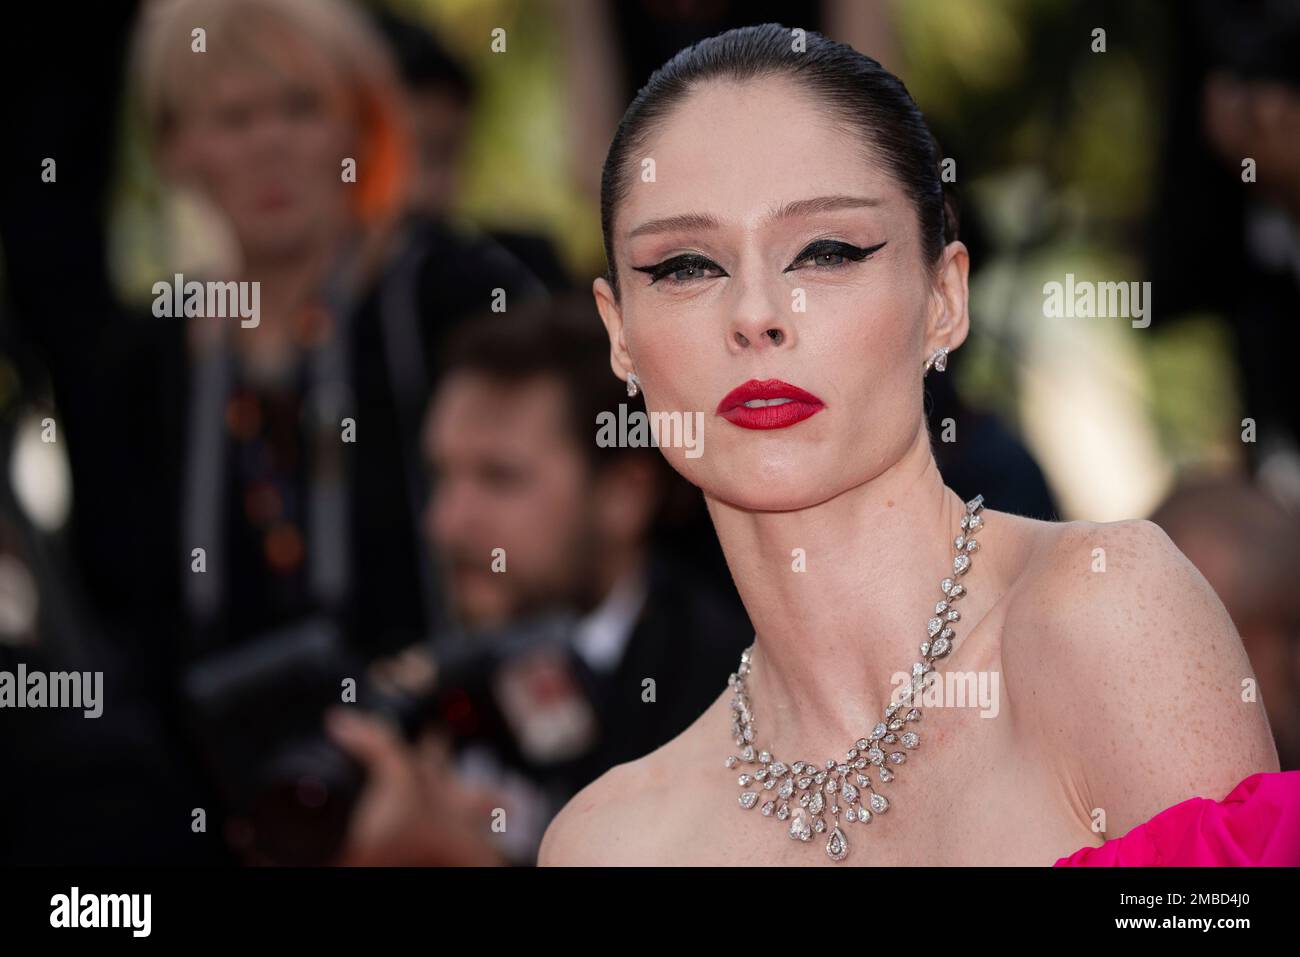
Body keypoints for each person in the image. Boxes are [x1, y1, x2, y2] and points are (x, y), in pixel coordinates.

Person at [539, 23, 1299, 866]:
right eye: (686, 265)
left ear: (944, 298)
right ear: (619, 336)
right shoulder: (611, 842)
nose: (755, 313)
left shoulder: (1102, 618)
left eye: (825, 252)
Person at [327, 297, 753, 865]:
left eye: (499, 478)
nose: (445, 524)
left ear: (625, 495)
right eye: (440, 476)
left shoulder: (733, 699)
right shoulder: (428, 671)